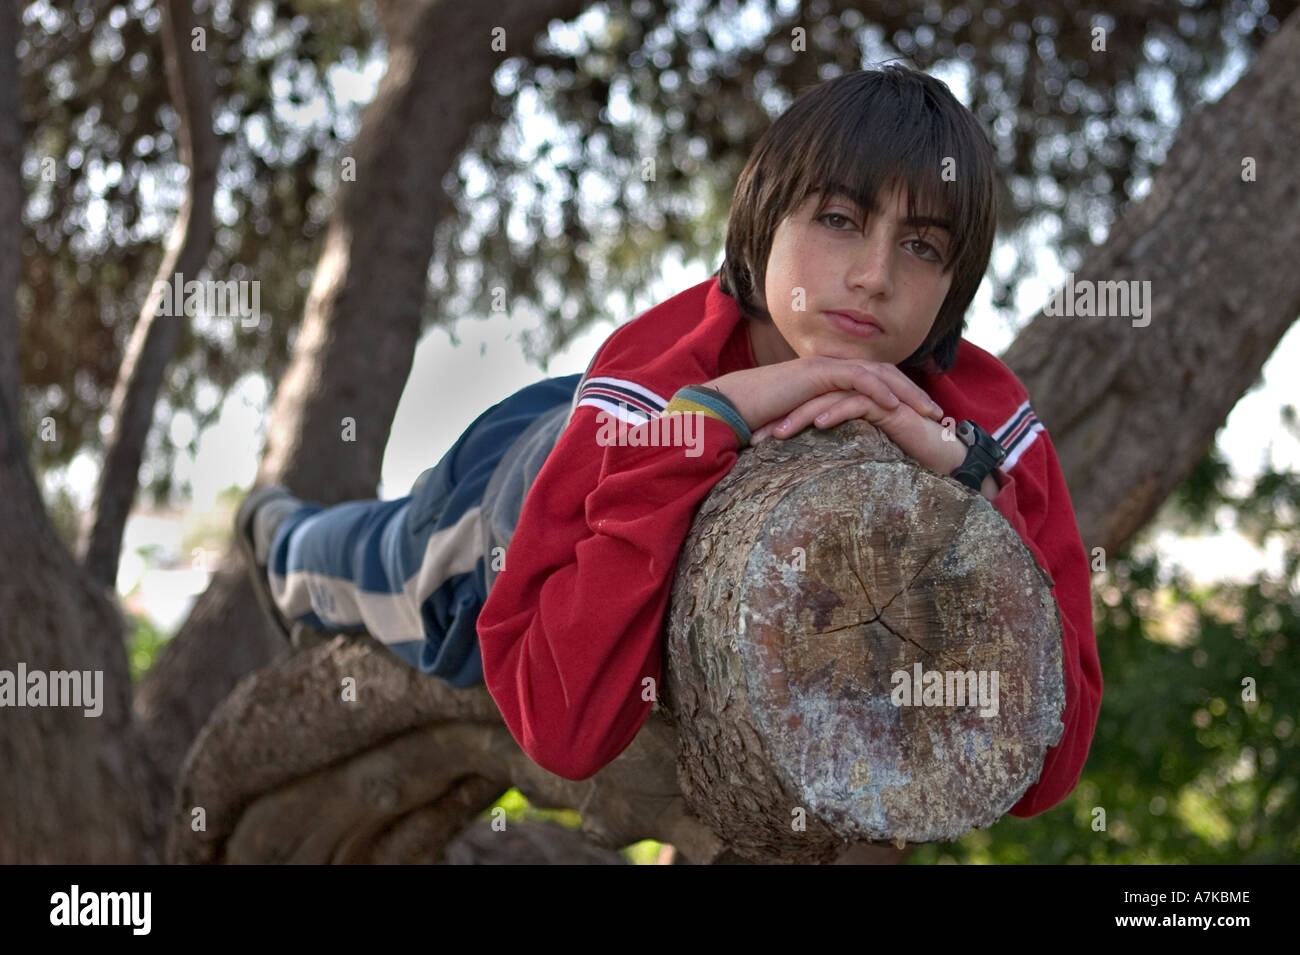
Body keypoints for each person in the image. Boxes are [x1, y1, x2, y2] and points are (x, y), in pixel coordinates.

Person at [235, 65, 1102, 818]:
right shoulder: (652, 373)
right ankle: (280, 535)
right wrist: (716, 413)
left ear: (953, 289)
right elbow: (562, 729)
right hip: (504, 491)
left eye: (920, 246)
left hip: (597, 422)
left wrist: (974, 484)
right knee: (364, 559)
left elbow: (1043, 770)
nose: (875, 276)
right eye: (840, 219)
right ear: (765, 219)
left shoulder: (995, 423)